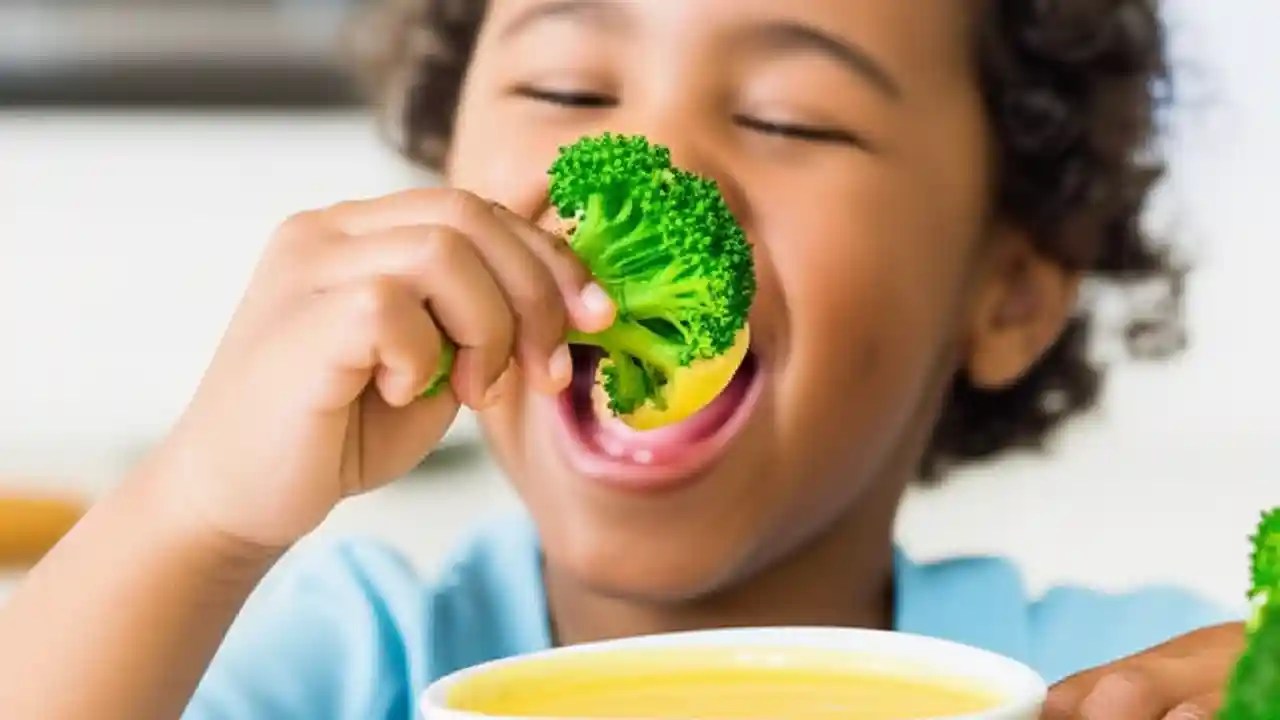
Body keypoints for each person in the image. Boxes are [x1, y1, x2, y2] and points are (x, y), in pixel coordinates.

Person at [0, 1, 1246, 718]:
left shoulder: (1107, 676)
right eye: (560, 88)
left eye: (785, 117)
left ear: (1009, 294)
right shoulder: (341, 664)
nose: (656, 167)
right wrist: (193, 514)